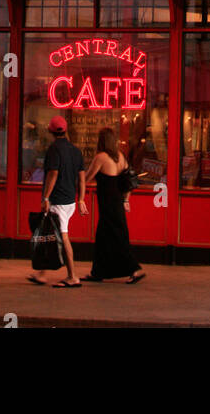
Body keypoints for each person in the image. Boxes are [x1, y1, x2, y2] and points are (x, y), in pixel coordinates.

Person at [29, 115, 87, 288]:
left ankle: (72, 276)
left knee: (62, 235)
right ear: (66, 130)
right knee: (52, 234)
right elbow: (82, 178)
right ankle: (42, 274)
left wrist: (46, 197)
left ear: (50, 131)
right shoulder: (76, 151)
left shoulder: (54, 149)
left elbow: (53, 174)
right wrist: (82, 199)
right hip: (70, 200)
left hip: (58, 199)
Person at [82, 128, 145, 284]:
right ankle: (98, 272)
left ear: (101, 141)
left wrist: (78, 189)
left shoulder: (100, 158)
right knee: (112, 236)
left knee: (110, 237)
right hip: (117, 201)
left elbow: (88, 177)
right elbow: (129, 180)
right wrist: (126, 200)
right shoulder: (120, 157)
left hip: (107, 204)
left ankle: (133, 269)